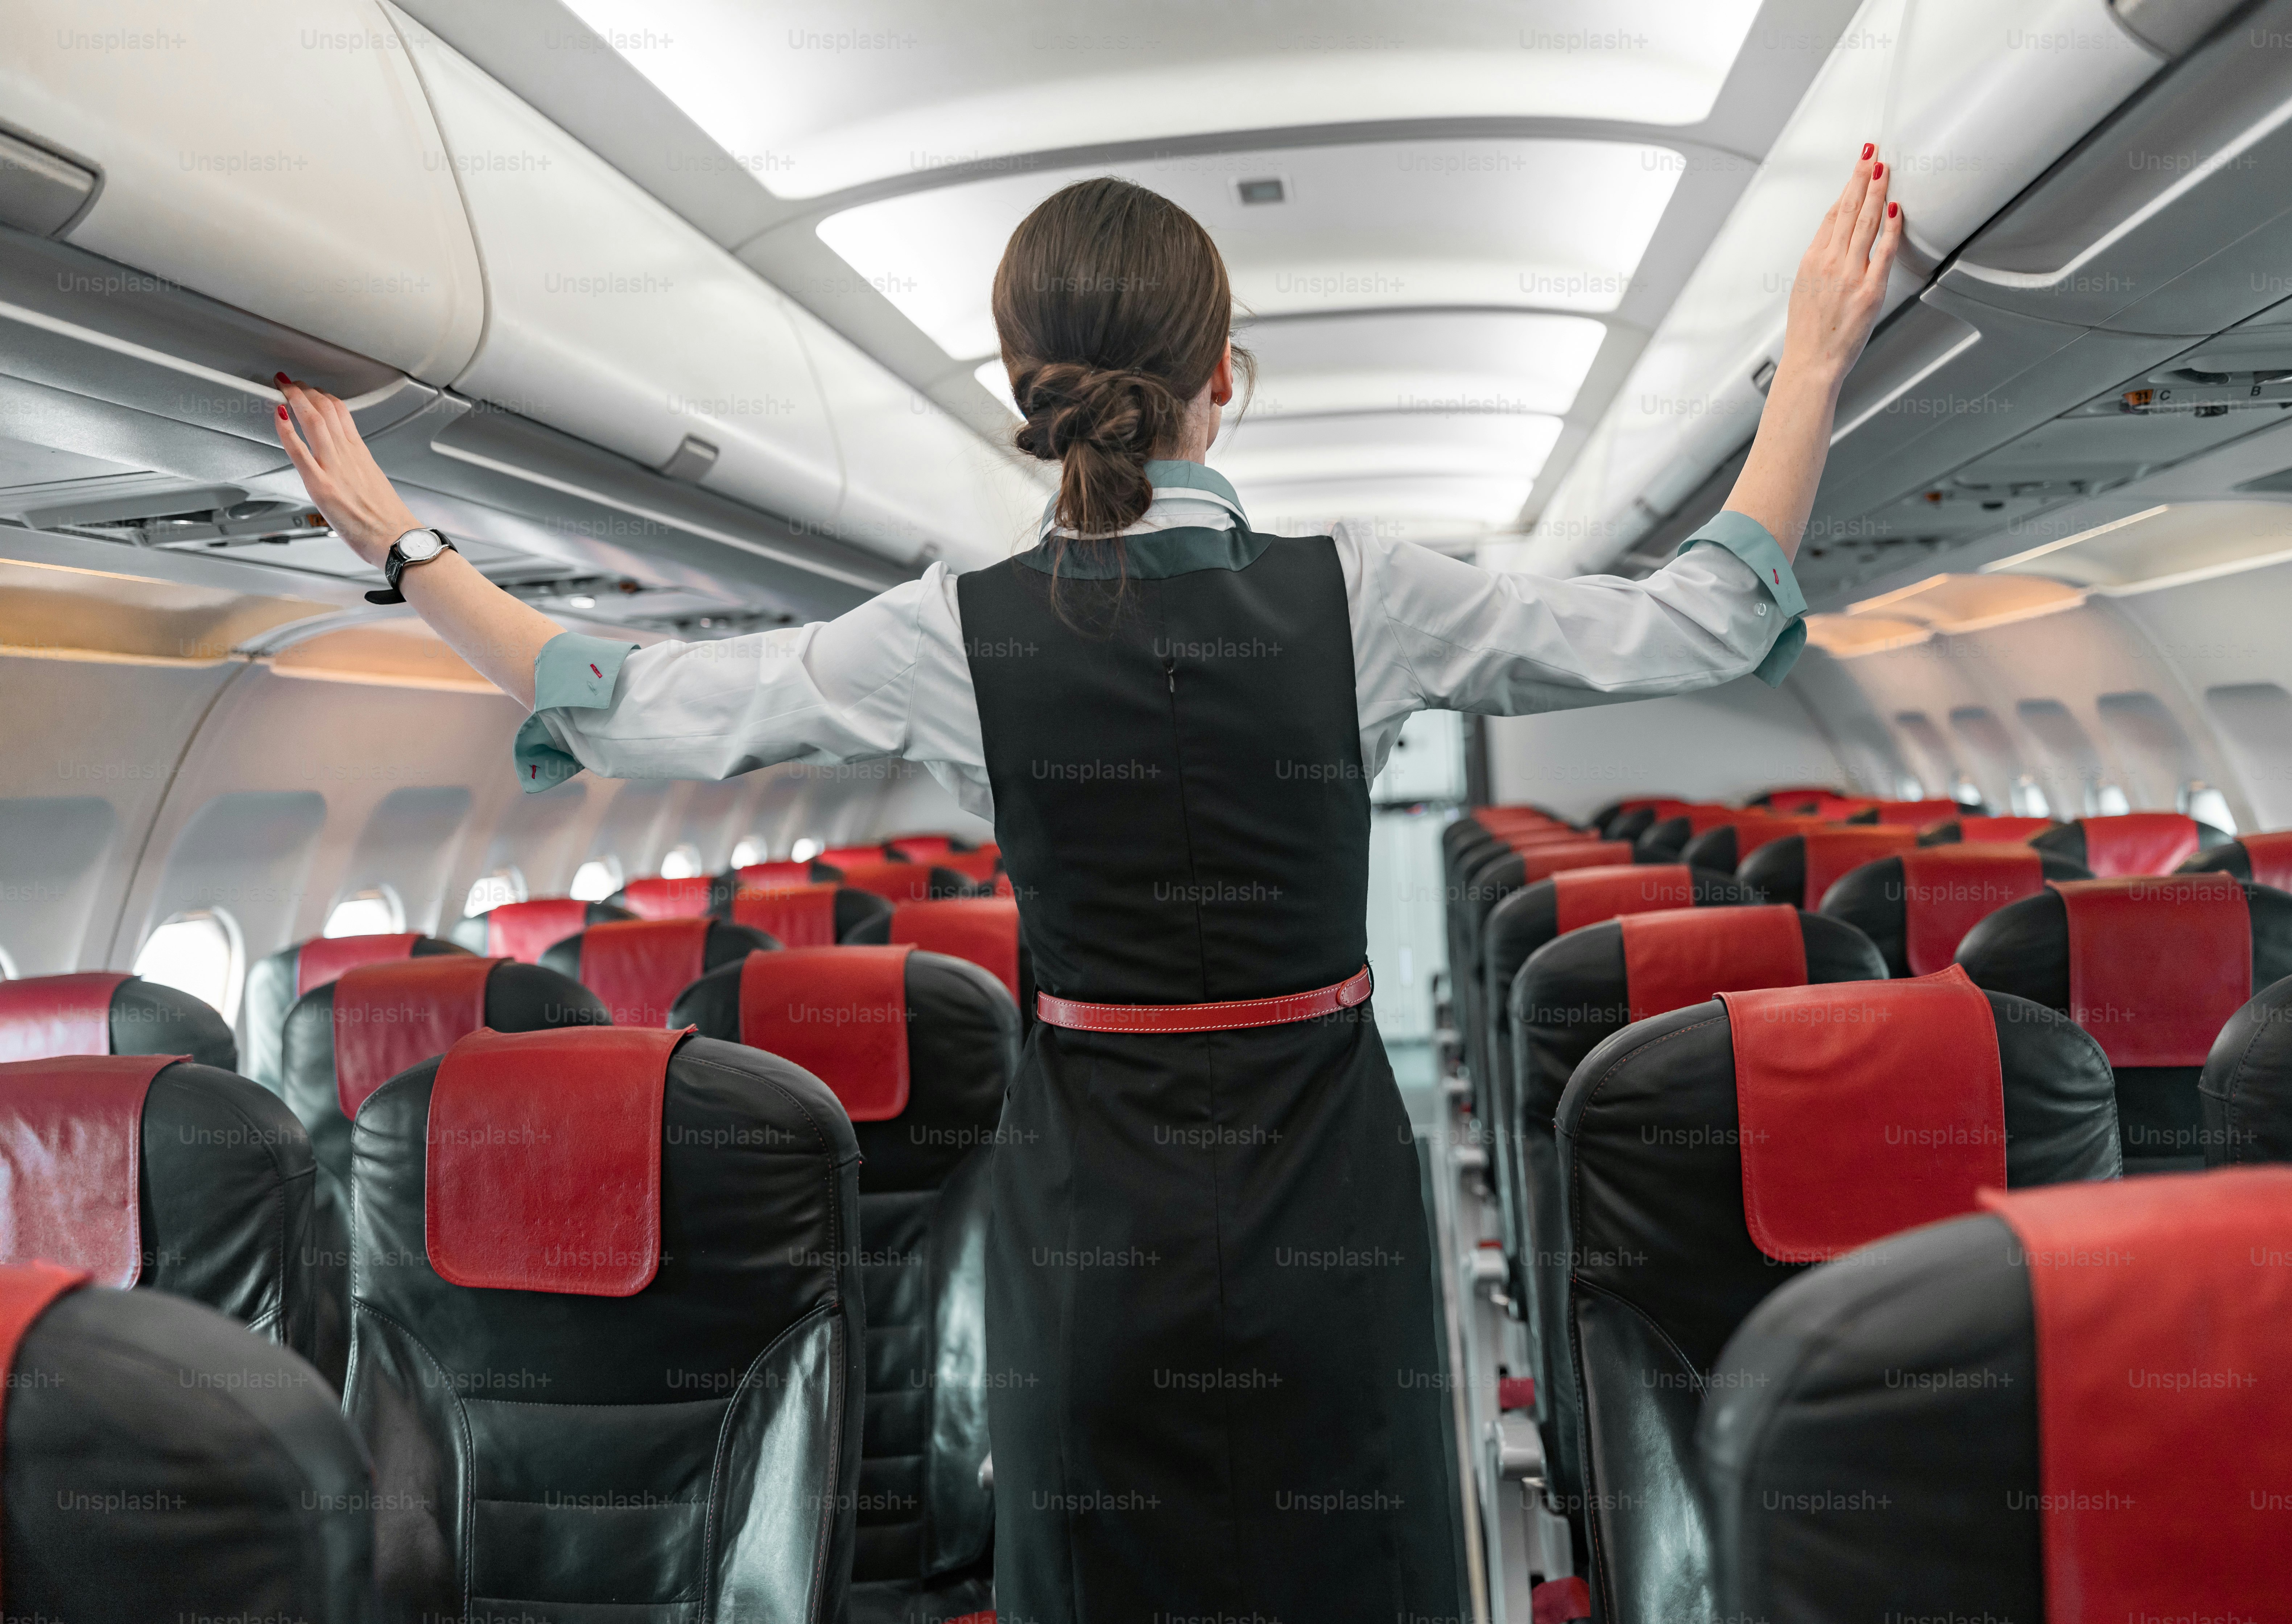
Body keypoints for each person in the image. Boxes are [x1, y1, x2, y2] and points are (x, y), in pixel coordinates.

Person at [271, 148, 1901, 1620]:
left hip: (1087, 1228)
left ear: (1026, 390)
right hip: (1330, 1202)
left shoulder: (950, 632)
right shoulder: (1365, 594)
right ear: (1221, 377)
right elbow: (1697, 620)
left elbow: (631, 703)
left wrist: (408, 546)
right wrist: (1814, 358)